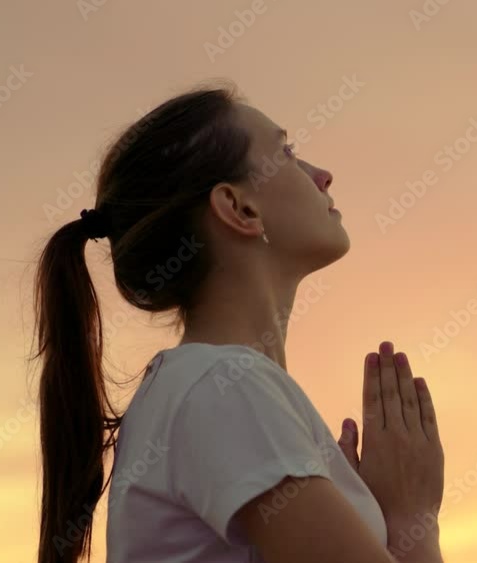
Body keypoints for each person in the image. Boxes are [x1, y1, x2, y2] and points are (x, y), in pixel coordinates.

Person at [30, 81, 446, 563]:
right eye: (287, 153)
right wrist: (412, 518)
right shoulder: (222, 387)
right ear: (238, 208)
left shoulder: (209, 385)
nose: (323, 175)